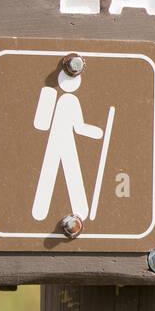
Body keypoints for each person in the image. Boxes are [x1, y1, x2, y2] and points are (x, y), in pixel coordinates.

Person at [31, 69, 103, 222]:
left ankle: (78, 213)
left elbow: (78, 127)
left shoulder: (71, 101)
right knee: (51, 175)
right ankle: (40, 212)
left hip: (67, 143)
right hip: (55, 141)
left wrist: (96, 132)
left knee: (70, 174)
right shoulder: (51, 94)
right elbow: (41, 123)